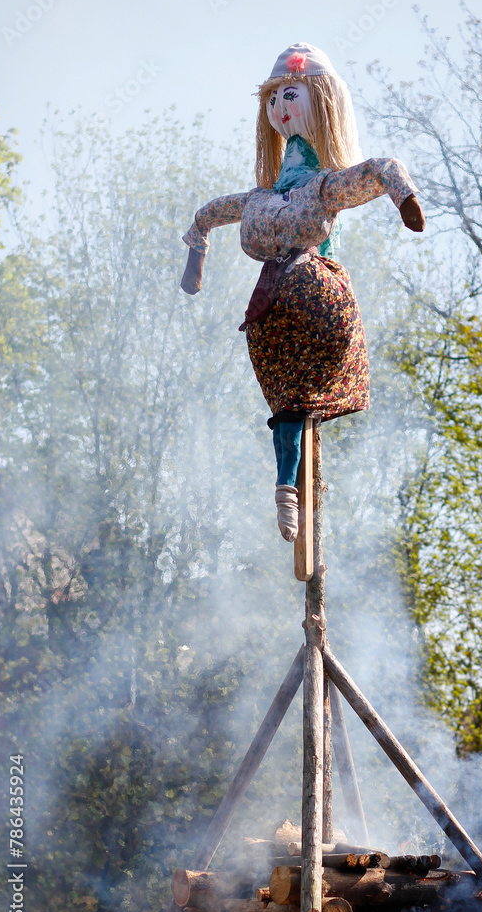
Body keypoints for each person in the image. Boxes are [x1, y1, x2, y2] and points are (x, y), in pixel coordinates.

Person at [181, 42, 425, 541]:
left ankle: (289, 485)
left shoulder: (321, 187)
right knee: (290, 402)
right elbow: (210, 213)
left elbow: (378, 171)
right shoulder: (269, 196)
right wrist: (196, 250)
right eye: (273, 100)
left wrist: (404, 197)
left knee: (293, 398)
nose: (280, 108)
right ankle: (285, 487)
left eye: (290, 95)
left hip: (299, 296)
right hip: (281, 306)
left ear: (320, 100)